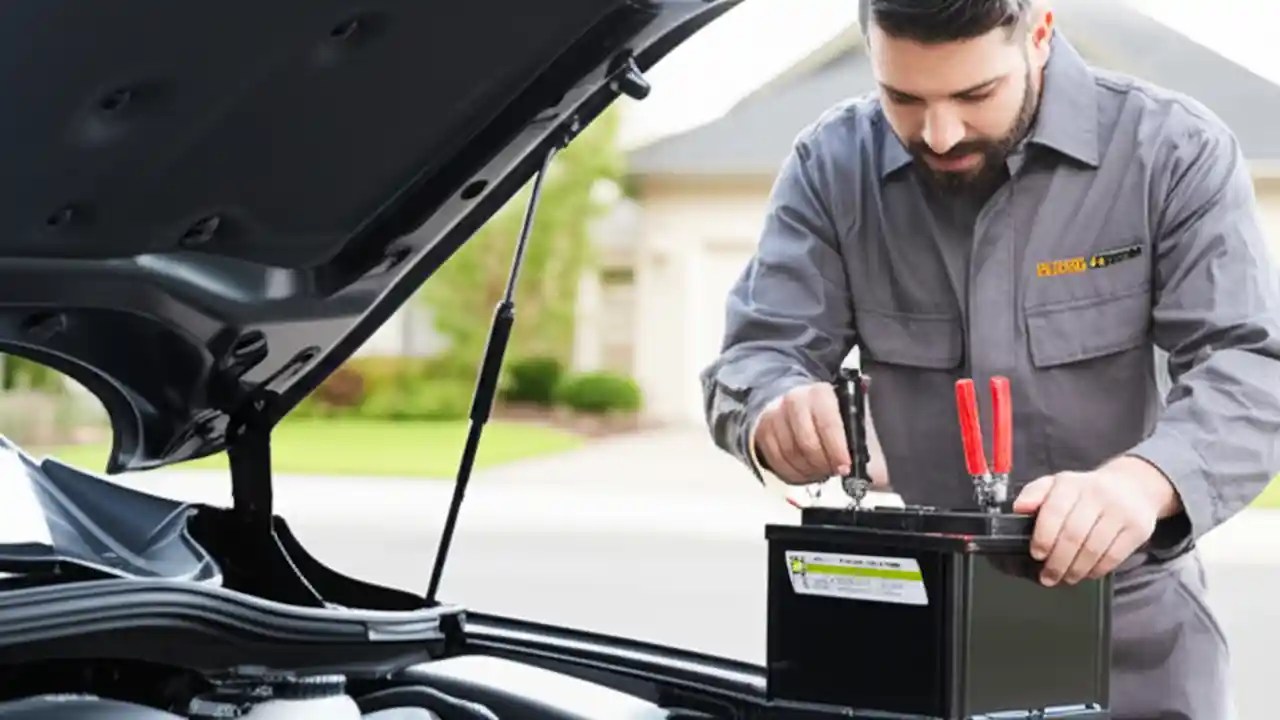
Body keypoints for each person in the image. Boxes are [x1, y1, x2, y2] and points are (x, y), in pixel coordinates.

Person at [700, 0, 1280, 717]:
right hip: (915, 638)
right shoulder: (830, 166)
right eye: (902, 98)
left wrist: (1145, 481)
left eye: (975, 95)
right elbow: (755, 357)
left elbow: (1252, 364)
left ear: (1039, 32)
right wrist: (771, 410)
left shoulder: (1172, 150)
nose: (939, 133)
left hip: (1132, 640)